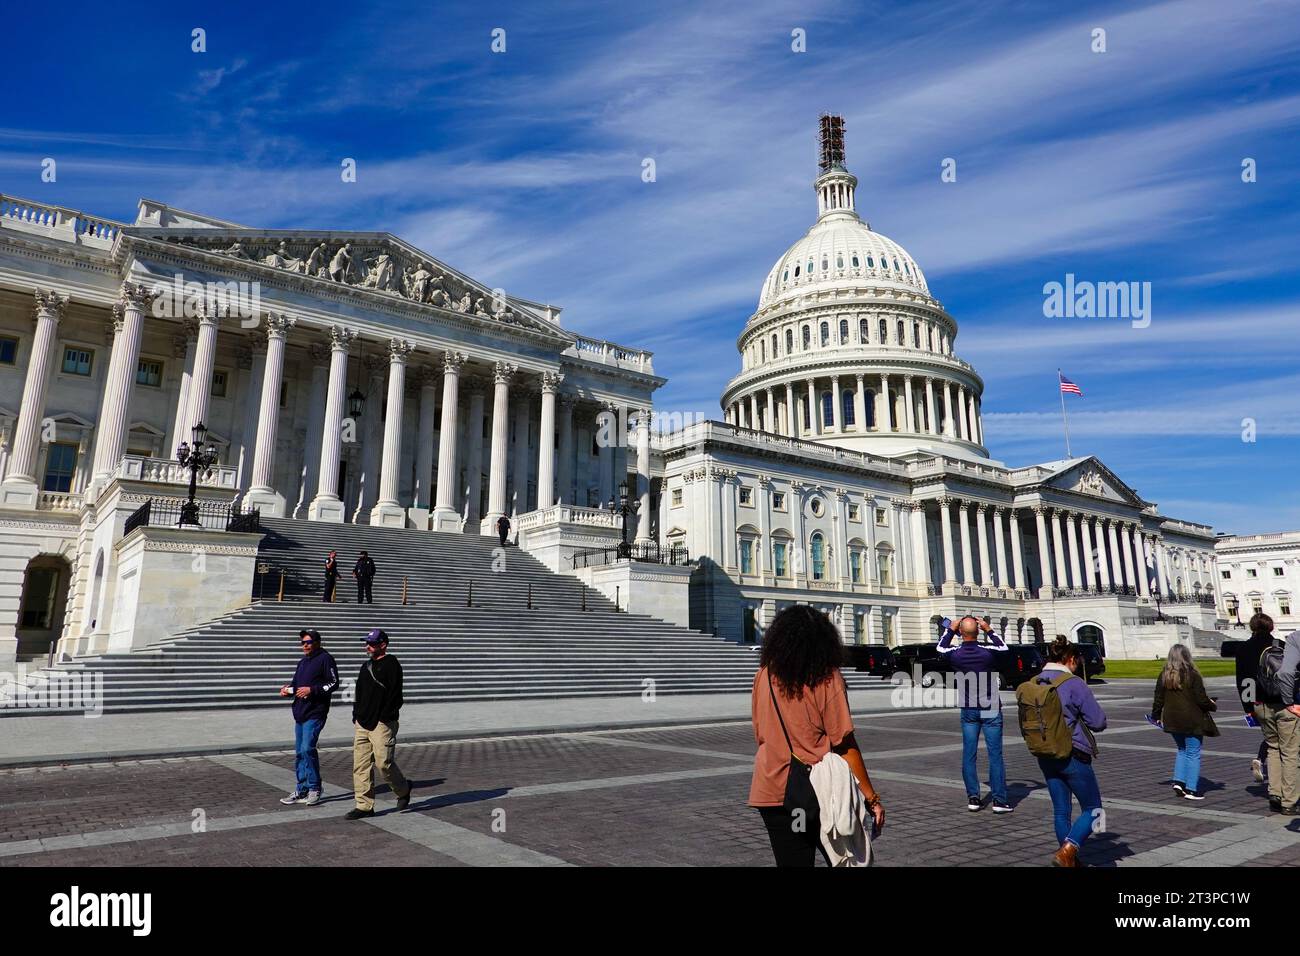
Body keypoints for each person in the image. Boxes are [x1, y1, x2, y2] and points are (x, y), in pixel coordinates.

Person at [749, 605, 885, 867]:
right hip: (817, 792)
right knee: (849, 860)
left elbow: (760, 733)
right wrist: (872, 798)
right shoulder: (826, 677)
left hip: (772, 790)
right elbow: (844, 745)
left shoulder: (763, 676)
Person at [1026, 636, 1108, 867]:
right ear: (1070, 659)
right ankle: (1068, 851)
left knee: (1061, 810)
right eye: (1077, 662)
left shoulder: (1035, 680)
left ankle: (1070, 858)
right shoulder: (1073, 683)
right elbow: (1098, 721)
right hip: (1073, 751)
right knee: (1094, 809)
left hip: (1045, 752)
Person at [937, 615, 1012, 813]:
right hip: (990, 707)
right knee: (995, 755)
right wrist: (989, 629)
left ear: (961, 633)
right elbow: (1004, 647)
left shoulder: (955, 654)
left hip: (969, 708)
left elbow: (940, 648)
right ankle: (999, 801)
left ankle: (973, 797)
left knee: (969, 754)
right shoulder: (987, 653)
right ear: (977, 631)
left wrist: (950, 629)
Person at [347, 629, 413, 819]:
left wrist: (385, 717)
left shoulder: (392, 664)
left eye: (372, 643)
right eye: (367, 642)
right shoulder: (365, 666)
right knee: (360, 765)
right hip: (362, 722)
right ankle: (364, 805)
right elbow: (358, 693)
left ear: (383, 644)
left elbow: (396, 696)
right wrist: (356, 715)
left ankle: (403, 789)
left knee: (383, 763)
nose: (367, 646)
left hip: (382, 723)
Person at [278, 629, 339, 807]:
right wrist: (288, 690)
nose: (305, 645)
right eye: (303, 642)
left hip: (315, 712)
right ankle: (301, 788)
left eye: (309, 642)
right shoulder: (303, 662)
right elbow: (297, 685)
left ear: (317, 642)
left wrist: (313, 690)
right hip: (300, 712)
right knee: (299, 752)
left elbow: (334, 683)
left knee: (307, 749)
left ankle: (314, 788)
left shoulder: (326, 659)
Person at [1152, 643, 1219, 801]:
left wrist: (1155, 715)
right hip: (1191, 719)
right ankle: (1192, 789)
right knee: (1193, 753)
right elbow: (1201, 699)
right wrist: (1212, 705)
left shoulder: (1164, 674)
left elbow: (1158, 698)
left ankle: (1179, 781)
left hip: (1172, 719)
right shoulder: (1192, 674)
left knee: (1182, 749)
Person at [1263, 626, 1300, 814]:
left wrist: (1289, 702)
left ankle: (1278, 794)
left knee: (1278, 750)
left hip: (1270, 705)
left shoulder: (1295, 638)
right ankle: (1288, 800)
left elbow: (1286, 673)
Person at [1236, 613, 1274, 787]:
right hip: (1279, 698)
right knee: (1284, 739)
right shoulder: (1278, 645)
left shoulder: (1244, 648)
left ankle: (1260, 758)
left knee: (1271, 735)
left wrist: (1248, 707)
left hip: (1257, 701)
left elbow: (1244, 681)